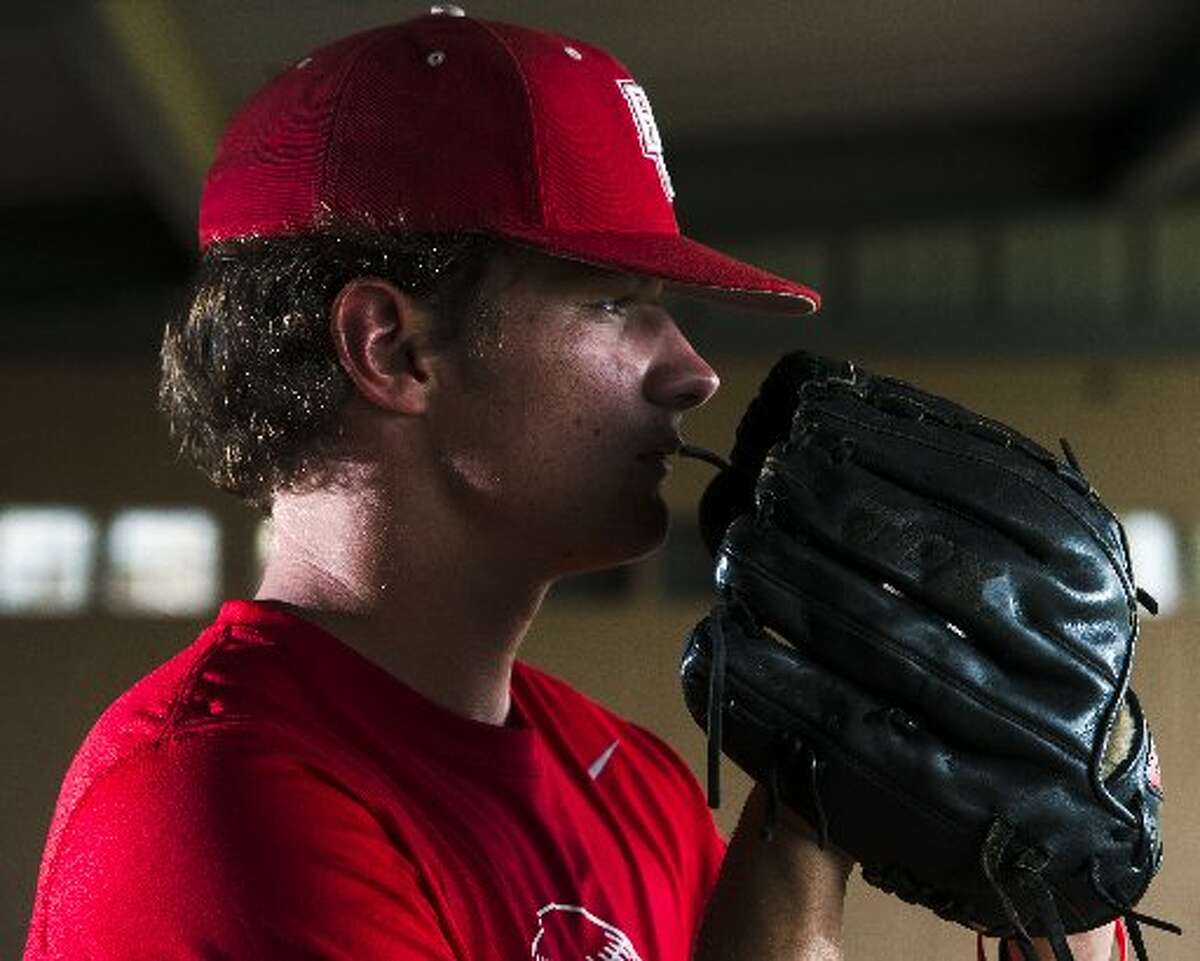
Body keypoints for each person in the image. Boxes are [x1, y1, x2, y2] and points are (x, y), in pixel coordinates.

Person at [22, 9, 1113, 961]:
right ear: (392, 350)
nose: (692, 369)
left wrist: (1059, 912)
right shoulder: (215, 810)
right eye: (610, 302)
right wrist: (806, 811)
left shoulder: (628, 783)